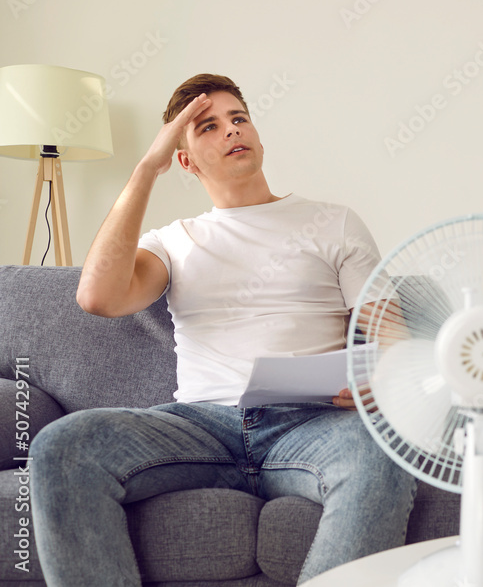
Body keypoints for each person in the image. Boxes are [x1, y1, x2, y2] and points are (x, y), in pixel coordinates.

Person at [29, 74, 417, 586]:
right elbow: (97, 297)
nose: (232, 130)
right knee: (62, 445)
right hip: (202, 426)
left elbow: (392, 338)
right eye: (208, 126)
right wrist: (148, 166)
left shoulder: (333, 223)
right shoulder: (173, 241)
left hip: (311, 426)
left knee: (381, 455)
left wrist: (381, 383)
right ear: (184, 159)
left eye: (239, 118)